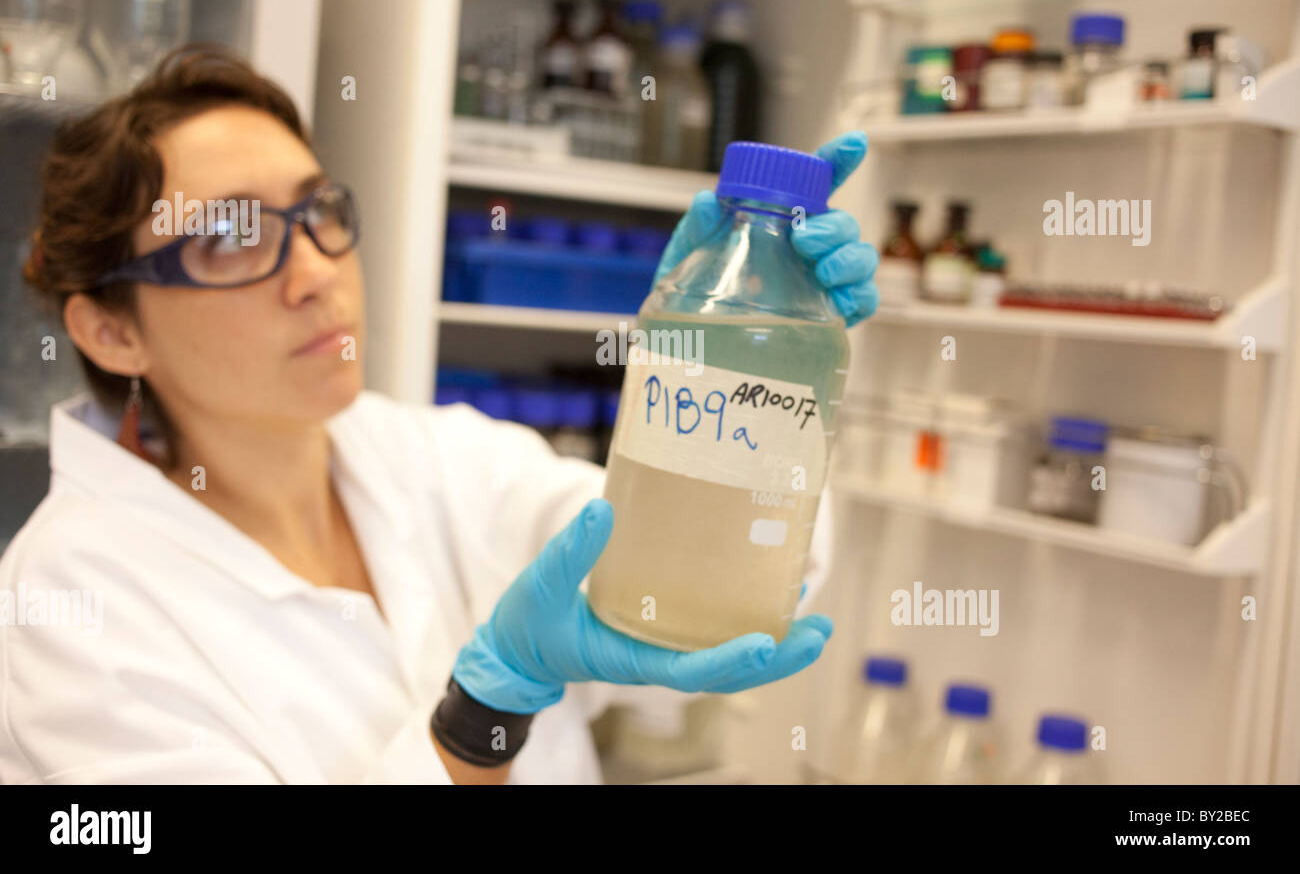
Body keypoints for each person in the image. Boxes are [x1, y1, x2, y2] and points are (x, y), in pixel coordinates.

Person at [0, 46, 878, 784]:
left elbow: (726, 582)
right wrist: (482, 715)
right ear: (111, 330)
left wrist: (734, 352)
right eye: (232, 239)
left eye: (317, 215)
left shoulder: (433, 456)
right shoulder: (68, 610)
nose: (314, 274)